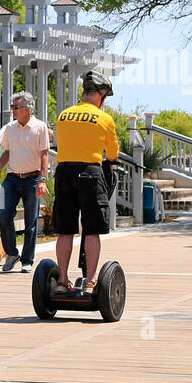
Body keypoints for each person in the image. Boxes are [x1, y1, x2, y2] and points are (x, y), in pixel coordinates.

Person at [52, 71, 119, 291]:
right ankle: (90, 281)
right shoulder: (104, 118)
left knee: (65, 230)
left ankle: (62, 280)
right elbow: (113, 152)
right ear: (100, 95)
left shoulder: (63, 115)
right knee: (91, 230)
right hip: (90, 173)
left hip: (63, 172)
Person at [0, 91, 50, 273]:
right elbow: (7, 151)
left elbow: (44, 155)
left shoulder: (40, 127)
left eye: (16, 107)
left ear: (27, 108)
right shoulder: (9, 128)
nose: (13, 111)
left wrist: (42, 179)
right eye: (12, 107)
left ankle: (27, 260)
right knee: (4, 214)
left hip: (33, 179)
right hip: (11, 178)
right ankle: (12, 254)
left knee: (30, 221)